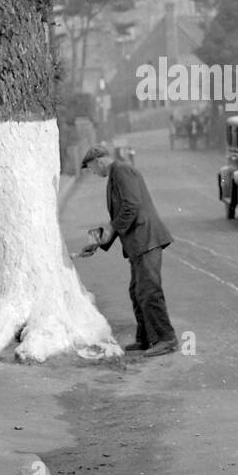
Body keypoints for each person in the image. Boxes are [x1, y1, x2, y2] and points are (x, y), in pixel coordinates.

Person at [79, 144, 178, 358]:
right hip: (138, 242)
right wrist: (100, 242)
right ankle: (146, 338)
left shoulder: (122, 171)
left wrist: (110, 230)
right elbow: (122, 213)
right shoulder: (116, 174)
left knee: (149, 290)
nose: (93, 173)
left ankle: (166, 338)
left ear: (99, 161)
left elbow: (131, 206)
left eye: (91, 168)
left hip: (146, 239)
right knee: (137, 291)